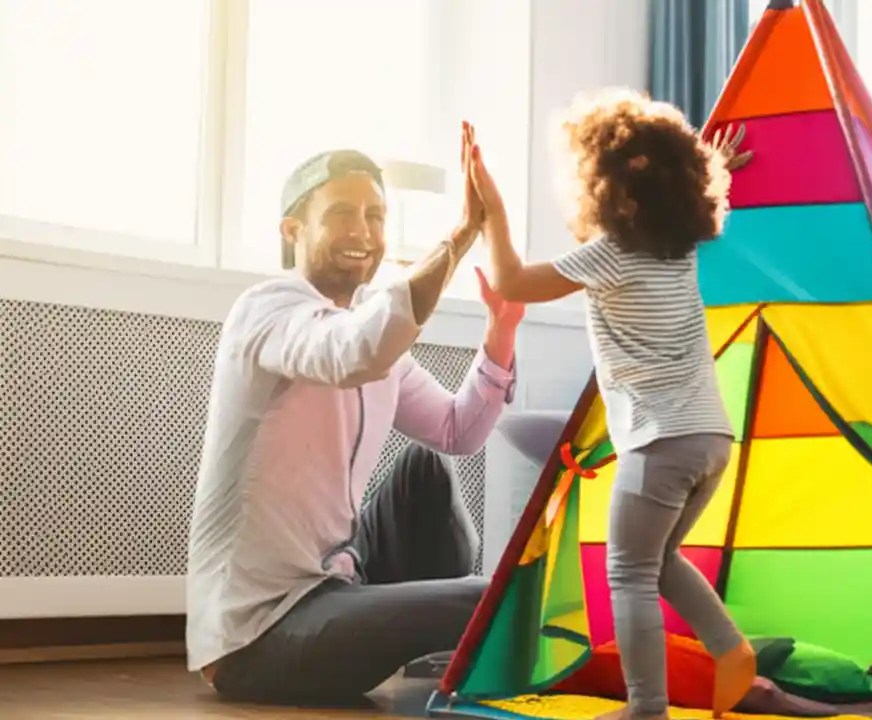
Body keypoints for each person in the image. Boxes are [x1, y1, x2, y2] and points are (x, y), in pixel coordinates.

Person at [185, 123, 524, 704]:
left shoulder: (370, 329)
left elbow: (457, 431)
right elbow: (354, 353)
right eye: (342, 212)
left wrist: (501, 333)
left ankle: (439, 654)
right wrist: (465, 232)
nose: (362, 231)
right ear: (294, 230)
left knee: (425, 466)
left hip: (338, 580)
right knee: (490, 594)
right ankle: (480, 646)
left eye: (375, 215)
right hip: (261, 635)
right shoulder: (266, 310)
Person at [466, 88, 754, 720]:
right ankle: (732, 649)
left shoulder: (609, 254)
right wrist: (715, 166)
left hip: (659, 444)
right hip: (711, 442)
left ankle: (645, 708)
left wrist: (494, 212)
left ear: (611, 193)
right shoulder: (678, 250)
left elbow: (513, 282)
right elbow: (670, 182)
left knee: (628, 573)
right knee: (661, 560)